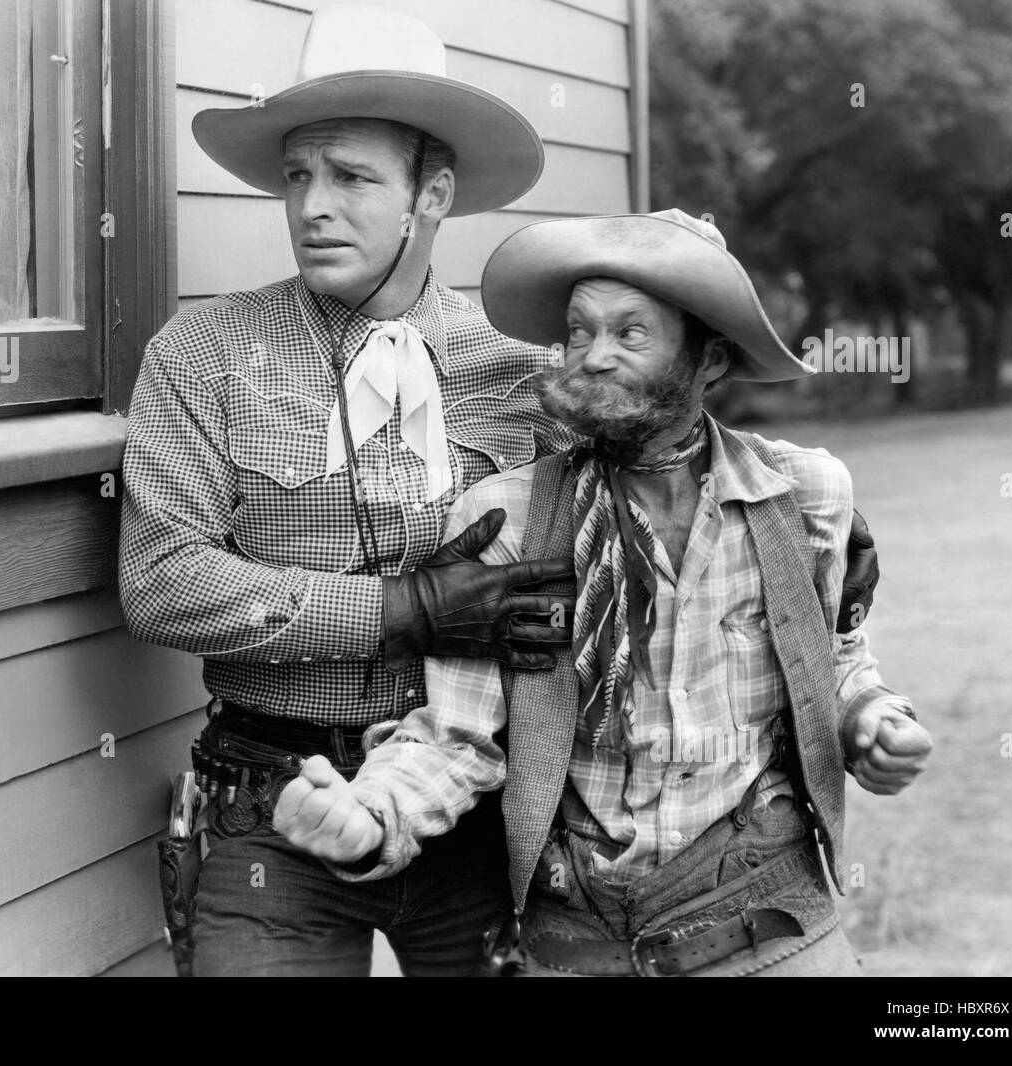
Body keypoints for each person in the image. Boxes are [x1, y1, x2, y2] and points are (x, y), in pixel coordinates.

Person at [274, 210, 931, 977]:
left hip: (768, 911)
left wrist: (872, 721)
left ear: (709, 357)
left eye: (631, 334)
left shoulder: (807, 493)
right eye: (579, 332)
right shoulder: (509, 516)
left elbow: (836, 661)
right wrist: (371, 814)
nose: (594, 356)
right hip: (580, 930)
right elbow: (456, 738)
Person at [119, 7, 580, 977]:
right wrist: (394, 608)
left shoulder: (522, 371)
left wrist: (804, 520)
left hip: (475, 807)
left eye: (352, 176)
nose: (311, 206)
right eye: (297, 175)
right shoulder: (203, 354)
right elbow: (161, 578)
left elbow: (641, 491)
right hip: (270, 797)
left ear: (433, 193)